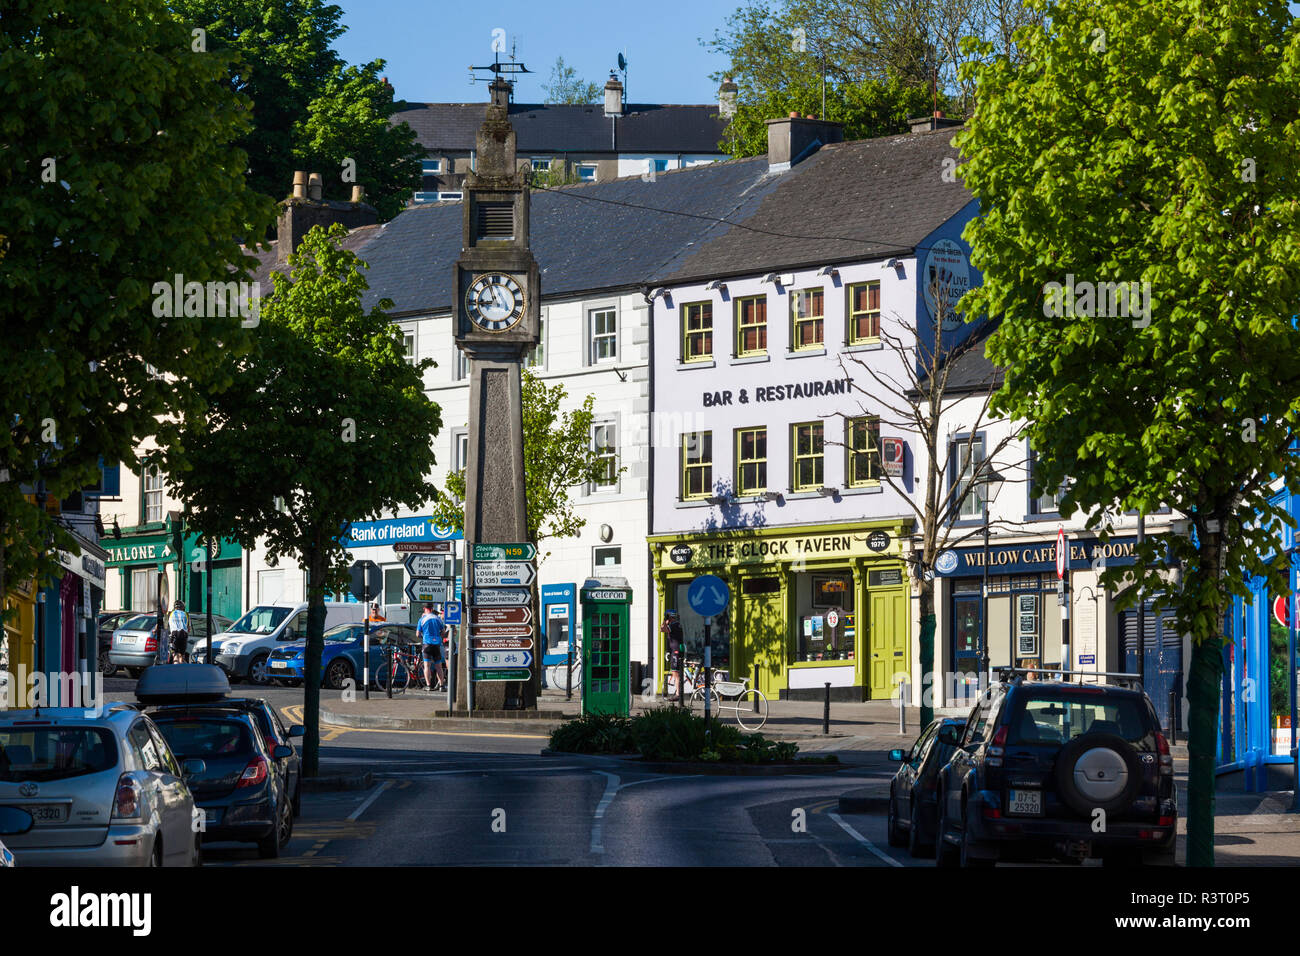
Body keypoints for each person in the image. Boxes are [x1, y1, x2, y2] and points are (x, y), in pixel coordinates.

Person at [417, 604, 446, 691]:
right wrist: (437, 636)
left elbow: (417, 634)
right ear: (432, 609)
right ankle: (441, 686)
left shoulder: (422, 619)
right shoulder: (438, 619)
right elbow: (443, 632)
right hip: (436, 644)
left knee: (427, 666)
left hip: (427, 644)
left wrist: (424, 636)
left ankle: (428, 686)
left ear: (424, 608)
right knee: (439, 666)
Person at [661, 609, 683, 698]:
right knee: (675, 672)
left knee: (675, 672)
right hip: (675, 650)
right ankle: (678, 692)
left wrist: (664, 622)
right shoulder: (675, 624)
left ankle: (678, 694)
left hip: (676, 651)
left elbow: (662, 629)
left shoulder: (674, 625)